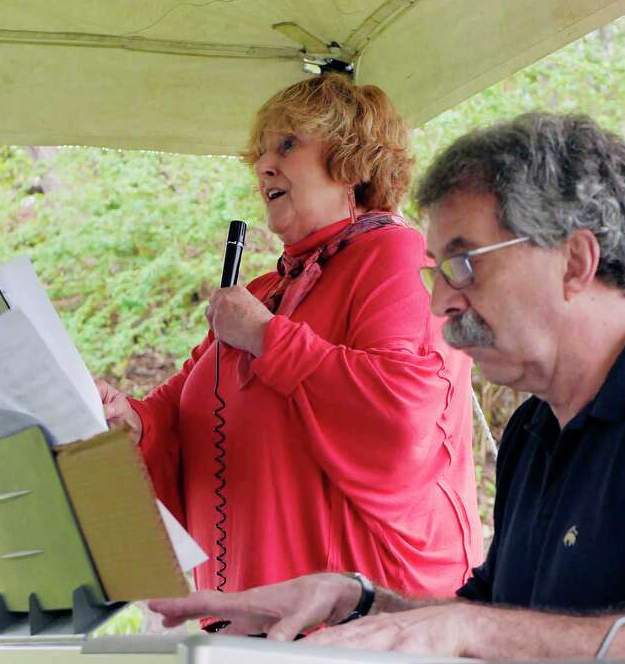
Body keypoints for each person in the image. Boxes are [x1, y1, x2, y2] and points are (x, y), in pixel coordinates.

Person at [147, 112, 625, 659]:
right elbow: (497, 620)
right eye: (438, 272)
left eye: (464, 264)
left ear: (576, 261)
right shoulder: (537, 426)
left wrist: (469, 629)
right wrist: (354, 599)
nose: (440, 303)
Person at [96, 74, 482, 599]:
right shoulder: (263, 290)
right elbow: (179, 411)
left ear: (351, 162)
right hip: (250, 612)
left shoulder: (396, 253)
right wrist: (132, 422)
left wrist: (265, 337)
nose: (263, 165)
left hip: (362, 613)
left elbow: (400, 415)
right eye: (260, 151)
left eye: (287, 144)